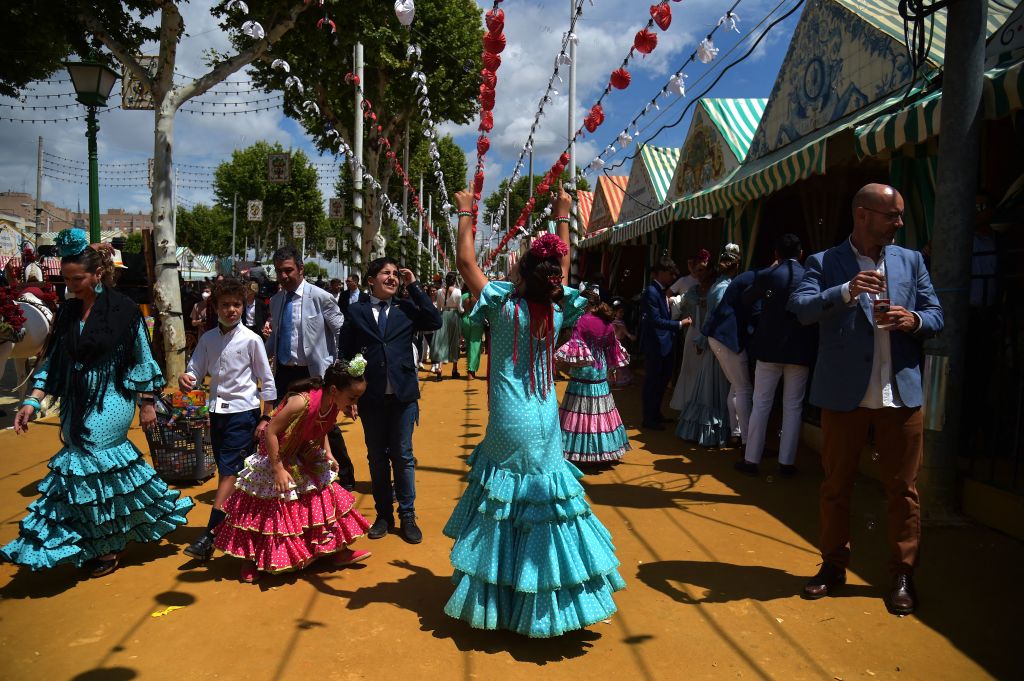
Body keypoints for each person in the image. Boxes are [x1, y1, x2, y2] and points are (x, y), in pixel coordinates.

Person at [445, 186, 625, 638]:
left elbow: (466, 262)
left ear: (521, 276)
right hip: (546, 421)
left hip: (508, 420)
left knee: (504, 510)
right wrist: (563, 215)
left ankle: (502, 598)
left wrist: (467, 208)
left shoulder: (505, 308)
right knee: (548, 507)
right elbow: (559, 272)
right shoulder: (557, 312)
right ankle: (548, 598)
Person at [788, 183, 943, 616]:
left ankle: (902, 575)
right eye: (891, 215)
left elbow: (936, 314)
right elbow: (800, 309)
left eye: (899, 215)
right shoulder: (824, 261)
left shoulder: (911, 261)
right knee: (836, 486)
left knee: (903, 490)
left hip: (901, 394)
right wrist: (845, 291)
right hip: (844, 394)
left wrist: (912, 319)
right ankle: (833, 566)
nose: (898, 223)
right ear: (862, 214)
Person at [2, 229, 192, 577]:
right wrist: (32, 400)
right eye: (67, 278)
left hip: (113, 399)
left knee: (88, 463)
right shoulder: (68, 312)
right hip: (76, 401)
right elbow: (54, 362)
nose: (71, 285)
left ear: (97, 275)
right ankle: (91, 539)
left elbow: (142, 359)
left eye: (78, 279)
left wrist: (147, 402)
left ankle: (107, 547)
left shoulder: (124, 310)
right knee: (83, 472)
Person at [213, 358, 372, 582]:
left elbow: (321, 425)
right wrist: (277, 468)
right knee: (267, 508)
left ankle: (336, 549)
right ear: (335, 390)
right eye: (353, 398)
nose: (355, 403)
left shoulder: (333, 401)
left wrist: (328, 453)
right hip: (276, 452)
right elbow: (270, 432)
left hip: (303, 449)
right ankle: (251, 559)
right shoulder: (301, 402)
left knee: (326, 495)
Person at [339, 257, 442, 544]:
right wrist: (349, 396)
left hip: (403, 395)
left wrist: (415, 286)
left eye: (396, 274)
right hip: (370, 398)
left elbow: (435, 320)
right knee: (376, 457)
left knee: (403, 455)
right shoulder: (356, 311)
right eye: (386, 273)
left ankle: (408, 515)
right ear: (371, 279)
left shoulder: (406, 307)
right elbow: (345, 353)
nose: (393, 277)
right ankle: (384, 515)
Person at [179, 279, 277, 561]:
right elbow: (195, 370)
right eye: (225, 305)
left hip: (243, 414)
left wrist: (266, 416)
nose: (231, 309)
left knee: (230, 472)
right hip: (216, 414)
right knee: (229, 472)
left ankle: (209, 535)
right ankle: (238, 527)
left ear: (243, 306)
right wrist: (186, 379)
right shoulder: (208, 339)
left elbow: (266, 380)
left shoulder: (252, 339)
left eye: (236, 304)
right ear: (216, 307)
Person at [265, 246, 355, 491]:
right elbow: (275, 336)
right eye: (279, 271)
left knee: (327, 425)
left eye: (288, 270)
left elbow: (341, 332)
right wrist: (260, 358)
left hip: (315, 374)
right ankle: (293, 476)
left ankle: (344, 475)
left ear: (301, 269)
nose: (283, 276)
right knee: (285, 425)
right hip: (285, 373)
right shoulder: (276, 300)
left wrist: (344, 372)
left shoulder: (321, 297)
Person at [735, 234, 817, 477]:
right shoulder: (809, 276)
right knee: (793, 406)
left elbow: (746, 298)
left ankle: (751, 459)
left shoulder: (769, 275)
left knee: (761, 404)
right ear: (801, 253)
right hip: (799, 349)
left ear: (776, 254)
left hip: (769, 349)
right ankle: (786, 463)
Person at [556, 286, 631, 465]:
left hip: (584, 370)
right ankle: (604, 450)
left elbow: (574, 348)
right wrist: (612, 370)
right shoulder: (606, 323)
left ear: (585, 304)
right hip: (600, 370)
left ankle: (577, 451)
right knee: (601, 409)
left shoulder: (581, 322)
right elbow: (612, 349)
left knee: (579, 409)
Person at [702, 244, 755, 447]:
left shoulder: (719, 285)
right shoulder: (725, 287)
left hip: (717, 339)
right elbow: (717, 316)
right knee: (742, 388)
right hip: (725, 339)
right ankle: (747, 438)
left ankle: (737, 431)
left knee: (735, 387)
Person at [674, 267, 732, 447]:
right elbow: (710, 318)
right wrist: (701, 340)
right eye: (700, 276)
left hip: (709, 338)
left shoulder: (718, 290)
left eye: (704, 276)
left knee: (708, 382)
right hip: (703, 336)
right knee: (701, 378)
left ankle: (710, 428)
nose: (701, 279)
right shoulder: (713, 291)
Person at [640, 256, 691, 429]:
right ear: (660, 273)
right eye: (670, 274)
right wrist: (679, 324)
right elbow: (655, 320)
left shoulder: (661, 291)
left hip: (665, 344)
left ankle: (656, 413)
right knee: (653, 382)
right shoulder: (651, 292)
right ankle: (649, 418)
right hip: (655, 345)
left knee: (662, 381)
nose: (673, 277)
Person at [430, 272, 464, 379]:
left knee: (441, 341)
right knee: (454, 341)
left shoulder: (440, 291)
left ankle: (439, 368)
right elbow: (460, 308)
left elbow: (439, 307)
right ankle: (454, 369)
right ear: (454, 281)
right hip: (454, 316)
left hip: (443, 315)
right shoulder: (458, 292)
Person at [609, 299, 635, 388]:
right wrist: (631, 336)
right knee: (619, 363)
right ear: (615, 312)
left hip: (618, 343)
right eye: (620, 312)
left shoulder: (613, 321)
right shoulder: (618, 322)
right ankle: (617, 380)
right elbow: (625, 332)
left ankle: (613, 380)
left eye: (623, 312)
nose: (622, 314)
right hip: (618, 344)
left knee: (616, 363)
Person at [460, 289, 484, 379]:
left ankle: (470, 369)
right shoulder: (479, 295)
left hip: (466, 319)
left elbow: (460, 309)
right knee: (475, 344)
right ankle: (471, 370)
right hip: (477, 320)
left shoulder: (464, 296)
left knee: (469, 344)